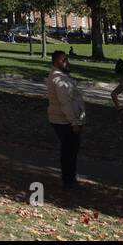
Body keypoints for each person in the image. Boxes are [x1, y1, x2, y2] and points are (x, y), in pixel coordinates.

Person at [46, 50, 86, 189]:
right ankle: (68, 180)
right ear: (56, 62)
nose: (67, 62)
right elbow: (64, 102)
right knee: (68, 150)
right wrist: (74, 122)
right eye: (64, 60)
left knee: (72, 150)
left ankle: (70, 178)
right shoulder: (58, 79)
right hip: (63, 121)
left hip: (70, 119)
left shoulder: (63, 76)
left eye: (67, 60)